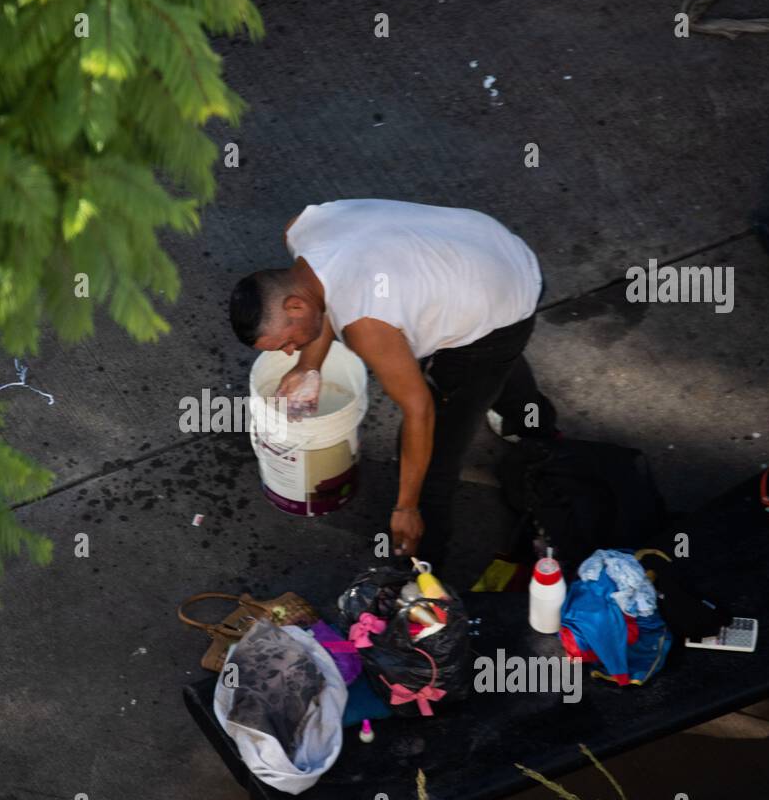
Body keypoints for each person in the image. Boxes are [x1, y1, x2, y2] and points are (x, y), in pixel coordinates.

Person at [227, 198, 557, 564]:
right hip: (493, 247)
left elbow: (420, 411)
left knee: (432, 456)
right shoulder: (302, 230)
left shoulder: (367, 327)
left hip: (505, 300)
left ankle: (422, 577)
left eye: (287, 343)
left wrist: (406, 506)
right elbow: (324, 302)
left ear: (293, 306)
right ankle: (536, 424)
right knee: (490, 370)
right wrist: (310, 366)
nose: (289, 352)